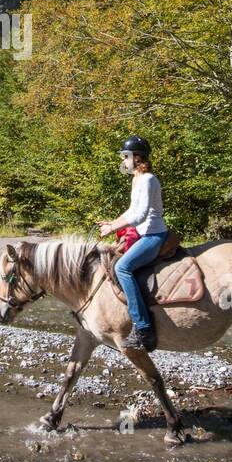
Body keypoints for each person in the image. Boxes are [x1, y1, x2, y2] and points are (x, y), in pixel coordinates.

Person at [97, 136, 166, 352]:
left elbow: (141, 215)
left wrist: (113, 228)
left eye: (125, 156)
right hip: (144, 234)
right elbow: (131, 211)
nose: (123, 160)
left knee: (122, 267)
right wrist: (112, 223)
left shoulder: (148, 180)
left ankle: (143, 327)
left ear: (136, 158)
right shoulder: (137, 180)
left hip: (153, 236)